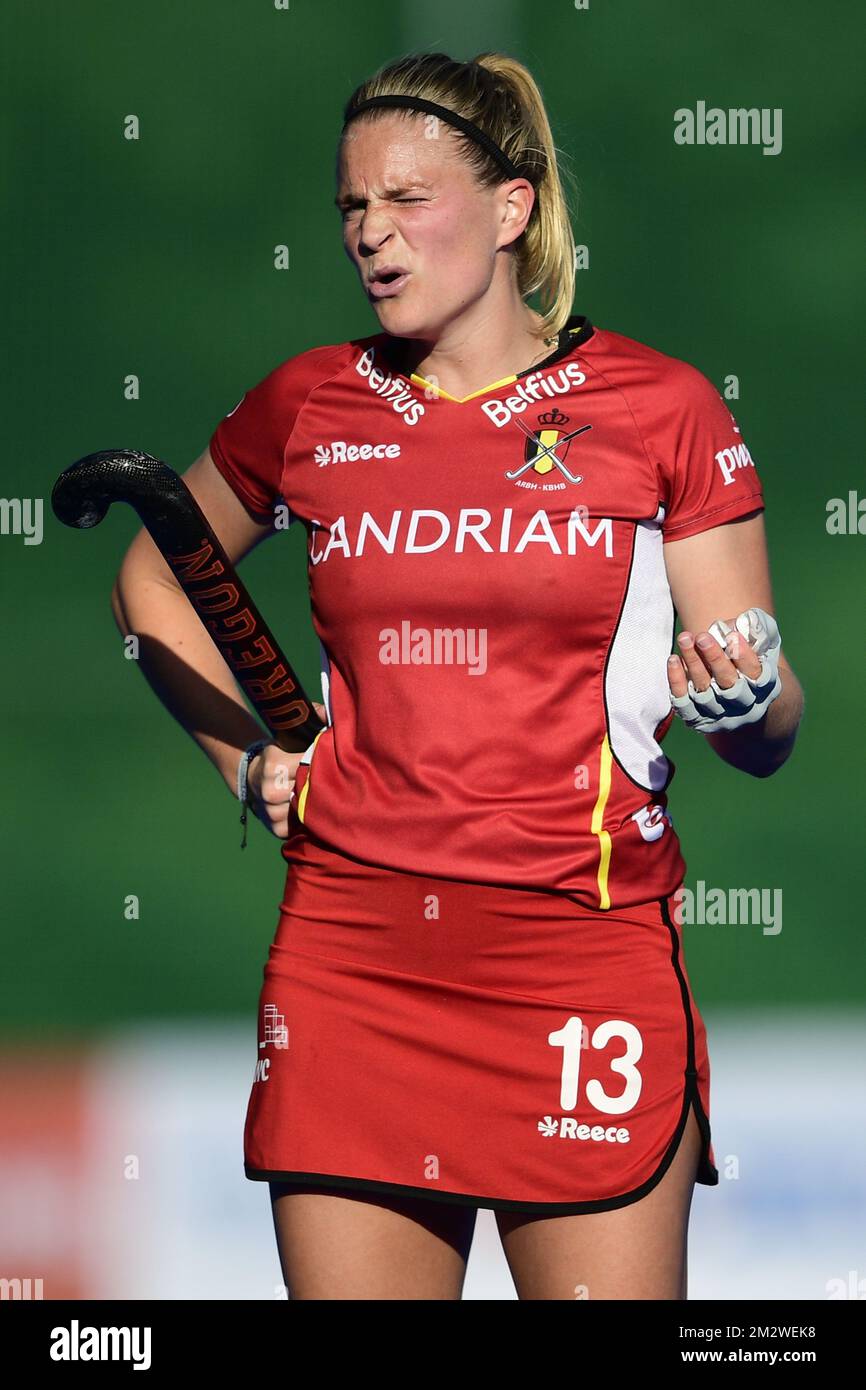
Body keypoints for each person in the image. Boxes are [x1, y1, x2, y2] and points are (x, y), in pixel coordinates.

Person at [111, 50, 804, 1300]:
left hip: (577, 956)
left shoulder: (661, 409)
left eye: (407, 201)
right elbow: (158, 577)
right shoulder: (310, 401)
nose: (371, 235)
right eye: (350, 209)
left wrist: (745, 698)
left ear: (509, 208)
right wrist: (249, 766)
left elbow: (764, 714)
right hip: (349, 963)